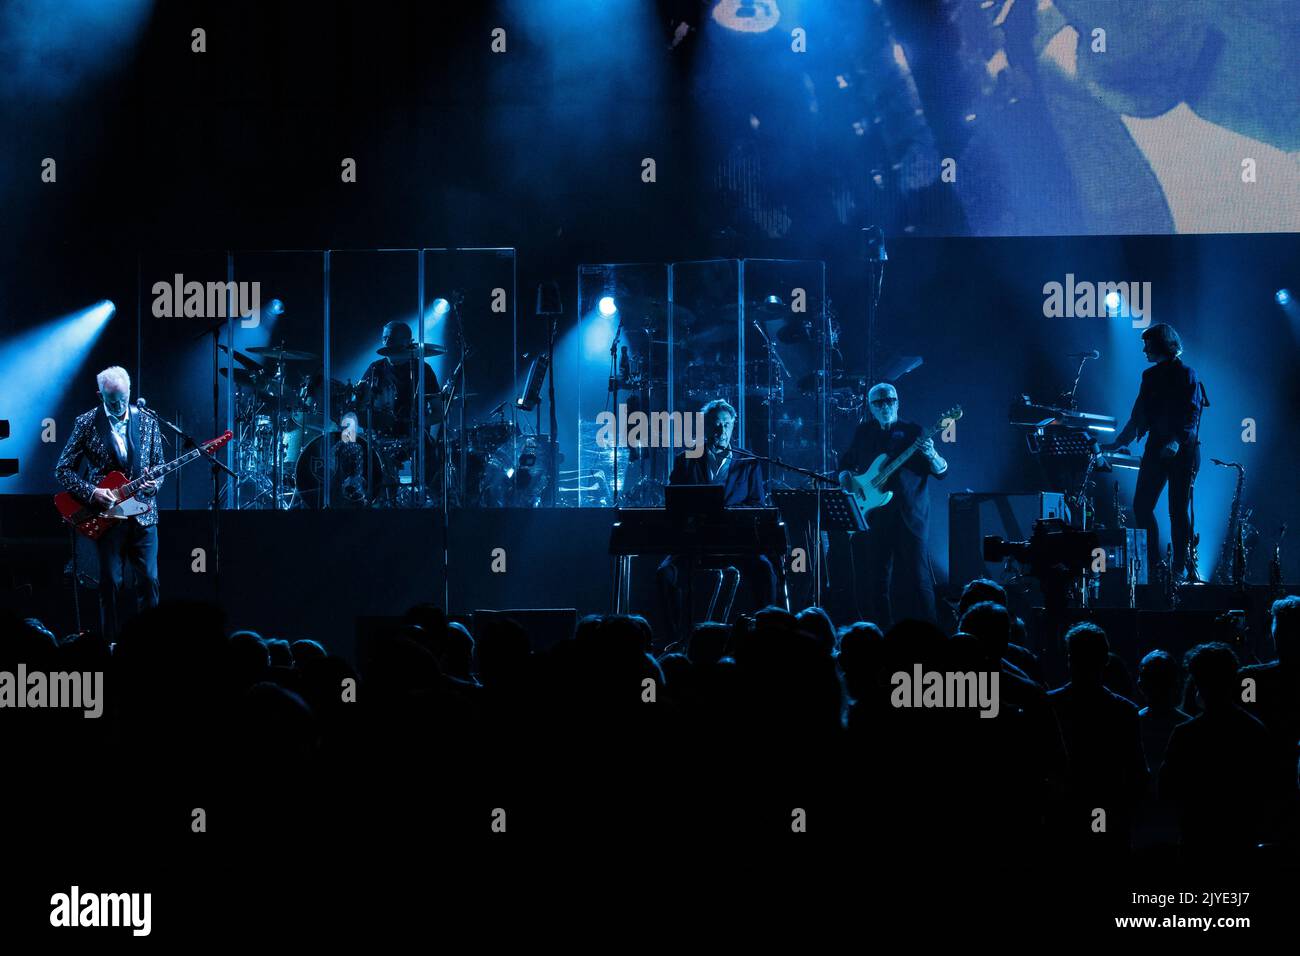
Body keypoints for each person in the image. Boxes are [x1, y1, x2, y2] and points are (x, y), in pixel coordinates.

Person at [54, 366, 164, 637]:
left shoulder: (148, 420)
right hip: (106, 516)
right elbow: (62, 469)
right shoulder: (86, 422)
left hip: (143, 514)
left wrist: (152, 485)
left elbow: (158, 465)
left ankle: (149, 645)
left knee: (149, 581)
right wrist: (92, 492)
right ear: (99, 394)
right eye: (110, 400)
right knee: (109, 584)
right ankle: (110, 646)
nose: (117, 405)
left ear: (130, 392)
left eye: (122, 399)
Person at [656, 400, 777, 646]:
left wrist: (731, 515)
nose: (721, 431)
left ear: (733, 426)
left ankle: (767, 638)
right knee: (664, 573)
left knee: (765, 570)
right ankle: (676, 640)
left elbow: (757, 504)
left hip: (736, 543)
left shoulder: (748, 461)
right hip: (694, 542)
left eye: (726, 424)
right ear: (704, 427)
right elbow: (673, 502)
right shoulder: (685, 460)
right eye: (715, 424)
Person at [1102, 323, 1208, 581]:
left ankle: (1180, 567)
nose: (1144, 350)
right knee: (1142, 505)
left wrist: (1175, 441)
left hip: (1183, 449)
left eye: (1147, 344)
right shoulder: (1149, 377)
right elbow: (1139, 414)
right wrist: (1119, 442)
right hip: (1156, 446)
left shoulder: (1187, 374)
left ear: (1161, 344)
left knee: (1178, 510)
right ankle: (1154, 564)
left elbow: (1191, 413)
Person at [836, 382, 947, 626]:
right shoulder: (864, 432)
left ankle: (931, 633)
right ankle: (881, 636)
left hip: (911, 514)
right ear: (871, 407)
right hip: (875, 516)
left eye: (891, 400)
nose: (886, 405)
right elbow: (846, 463)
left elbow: (941, 471)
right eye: (879, 402)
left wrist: (931, 455)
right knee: (877, 580)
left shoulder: (915, 432)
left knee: (919, 578)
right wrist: (847, 480)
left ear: (898, 402)